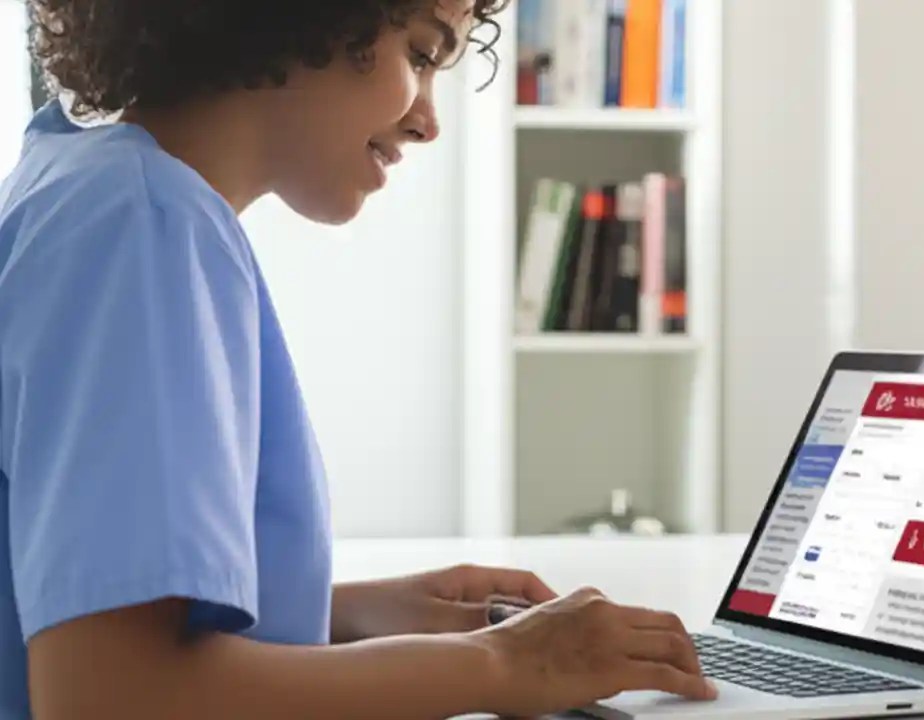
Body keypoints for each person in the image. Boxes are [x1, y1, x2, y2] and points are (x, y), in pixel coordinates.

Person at [0, 1, 718, 717]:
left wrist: (365, 615)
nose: (428, 121)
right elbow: (108, 697)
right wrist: (502, 662)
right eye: (420, 56)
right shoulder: (146, 224)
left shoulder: (82, 179)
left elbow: (95, 624)